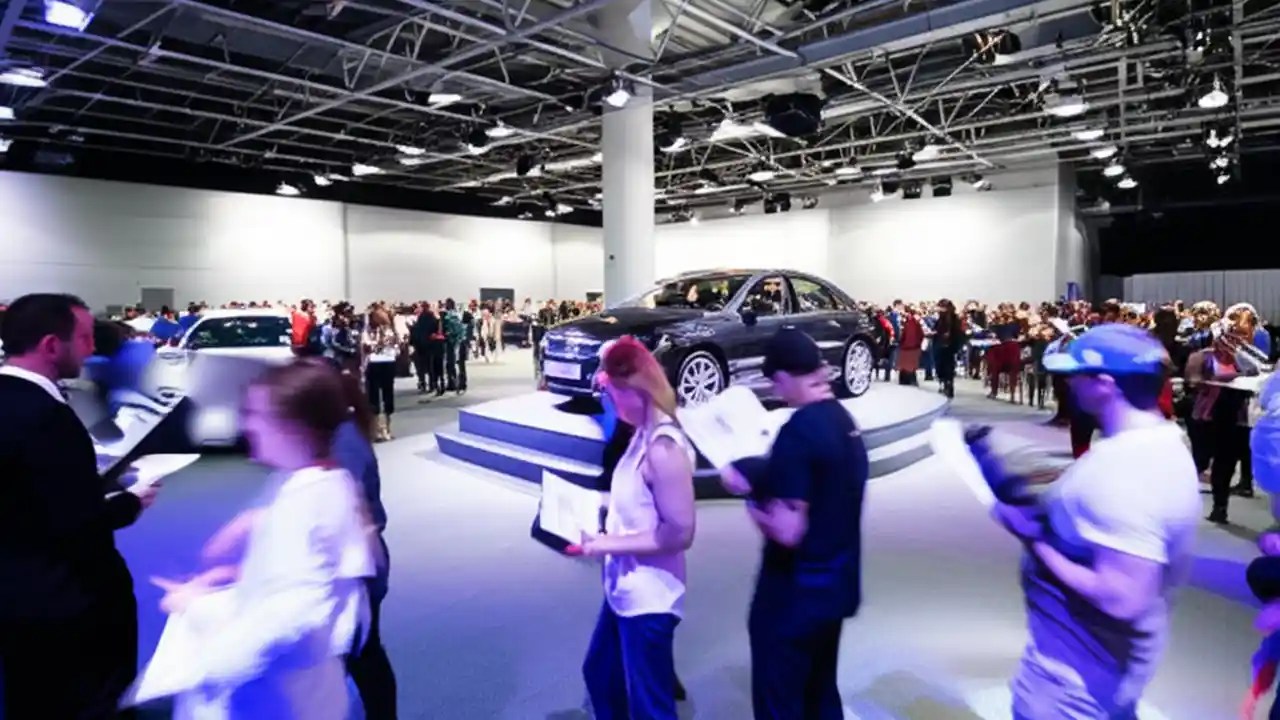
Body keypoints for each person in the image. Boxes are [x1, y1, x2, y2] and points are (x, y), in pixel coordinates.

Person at [985, 324, 1200, 718]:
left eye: (1075, 375)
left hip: (1070, 687)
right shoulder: (1163, 445)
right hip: (1106, 676)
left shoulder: (1125, 468)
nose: (1068, 384)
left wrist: (1033, 538)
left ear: (1104, 384)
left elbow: (1123, 595)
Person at [153, 359, 380, 719]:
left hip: (277, 700)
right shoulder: (310, 485)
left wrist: (198, 612)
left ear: (293, 427)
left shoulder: (309, 499)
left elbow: (292, 622)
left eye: (256, 414)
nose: (246, 424)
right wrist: (232, 579)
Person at [0, 293, 161, 718]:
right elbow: (76, 523)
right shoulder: (46, 416)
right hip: (65, 600)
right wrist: (131, 501)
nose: (93, 348)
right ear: (52, 345)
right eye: (86, 337)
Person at [717, 328, 869, 720]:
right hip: (834, 588)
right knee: (820, 692)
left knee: (780, 699)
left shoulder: (798, 431)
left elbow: (787, 530)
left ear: (784, 376)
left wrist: (749, 498)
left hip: (792, 596)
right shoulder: (844, 422)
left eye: (775, 381)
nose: (775, 390)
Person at [570, 336, 696, 720]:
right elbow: (638, 503)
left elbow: (679, 533)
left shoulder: (663, 448)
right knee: (601, 674)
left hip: (649, 598)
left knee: (651, 708)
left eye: (611, 395)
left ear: (633, 389)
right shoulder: (642, 431)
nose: (609, 406)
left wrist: (606, 544)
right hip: (623, 589)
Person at [362, 308, 399, 441]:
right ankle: (376, 429)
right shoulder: (368, 331)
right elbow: (366, 348)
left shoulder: (391, 330)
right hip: (374, 363)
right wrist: (379, 342)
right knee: (373, 396)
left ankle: (387, 428)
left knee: (388, 395)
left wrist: (394, 341)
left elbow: (397, 346)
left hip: (388, 362)